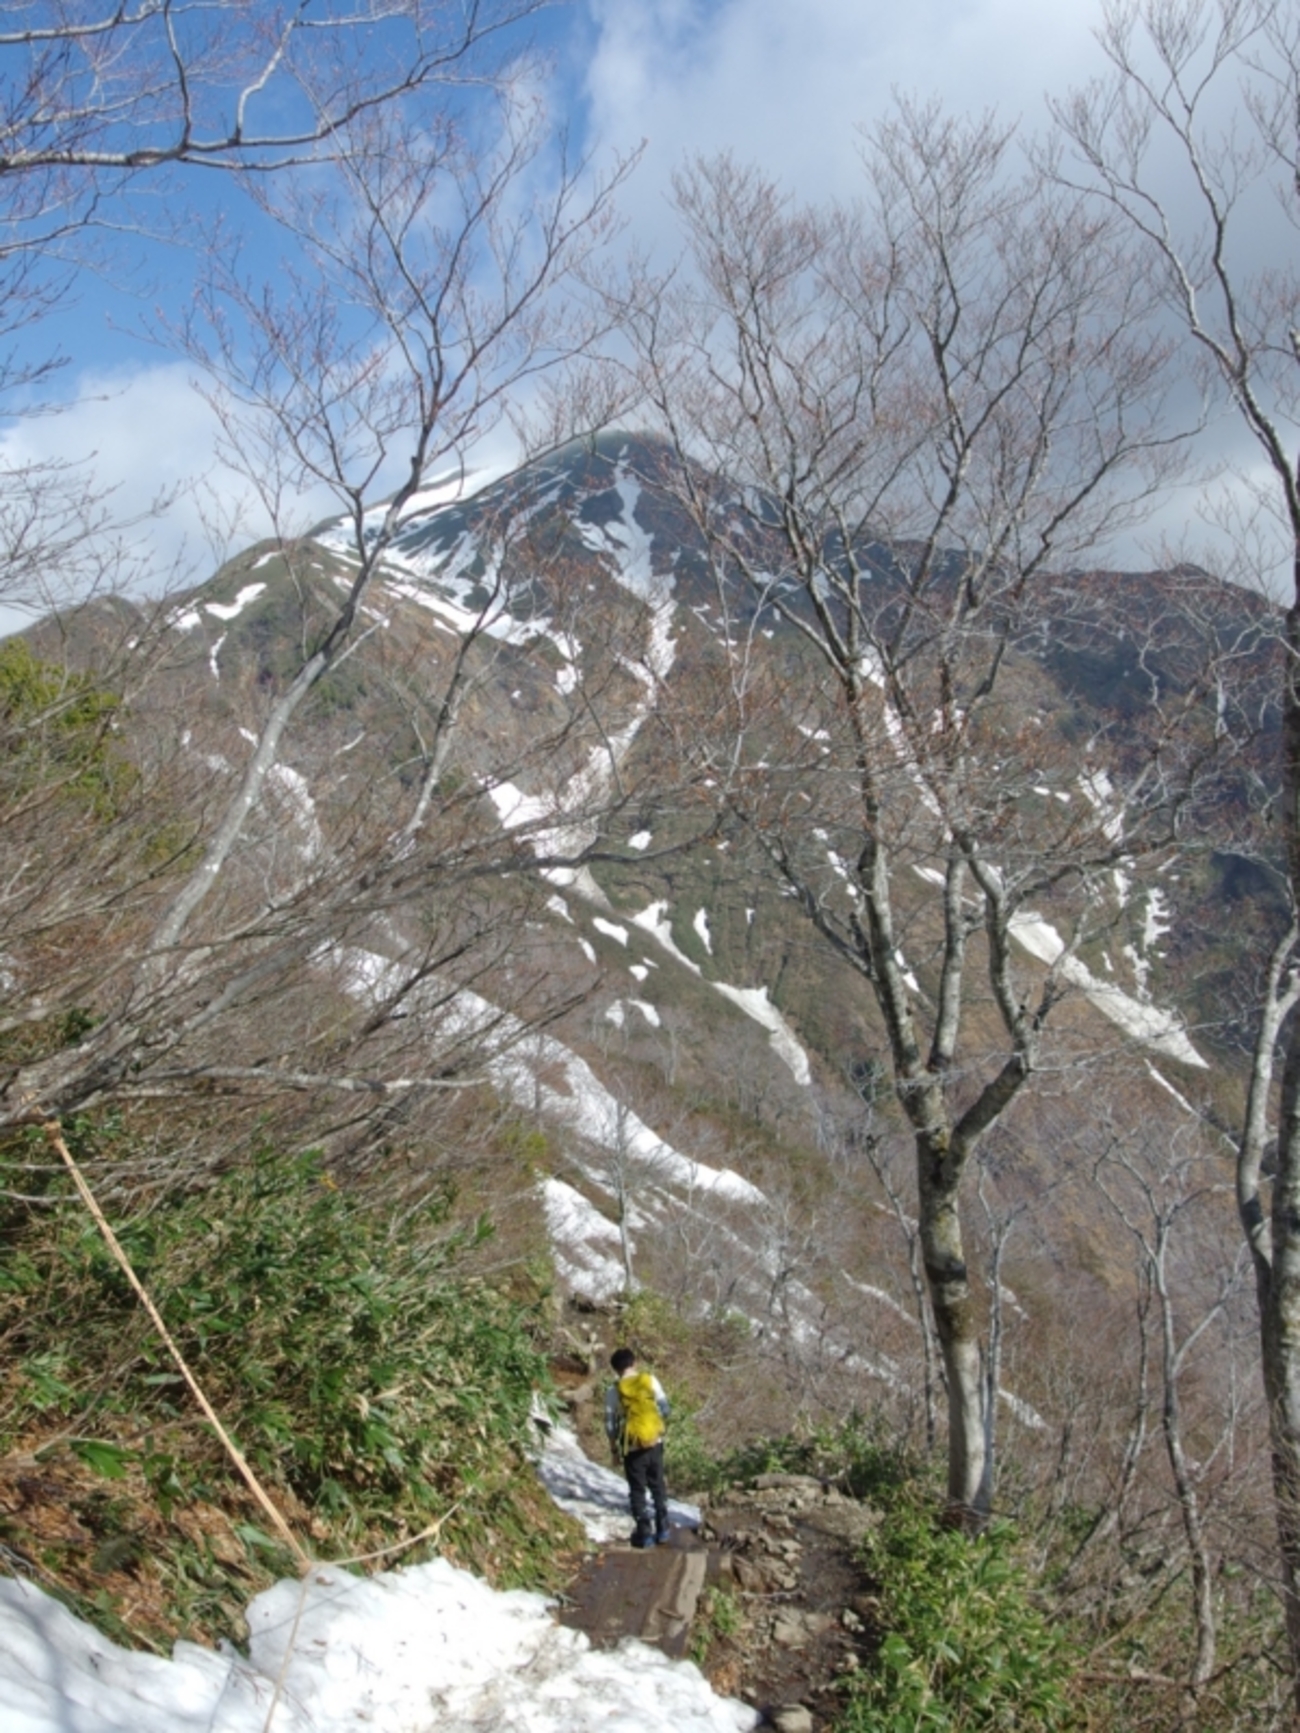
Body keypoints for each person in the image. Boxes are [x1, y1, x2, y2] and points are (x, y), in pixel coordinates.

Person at [605, 1347, 672, 1548]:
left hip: (633, 1447)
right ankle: (663, 1529)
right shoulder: (650, 1380)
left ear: (616, 1370)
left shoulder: (613, 1391)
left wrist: (614, 1450)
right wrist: (653, 1426)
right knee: (657, 1485)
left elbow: (610, 1425)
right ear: (634, 1363)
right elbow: (666, 1409)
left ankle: (645, 1534)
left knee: (637, 1489)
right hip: (654, 1442)